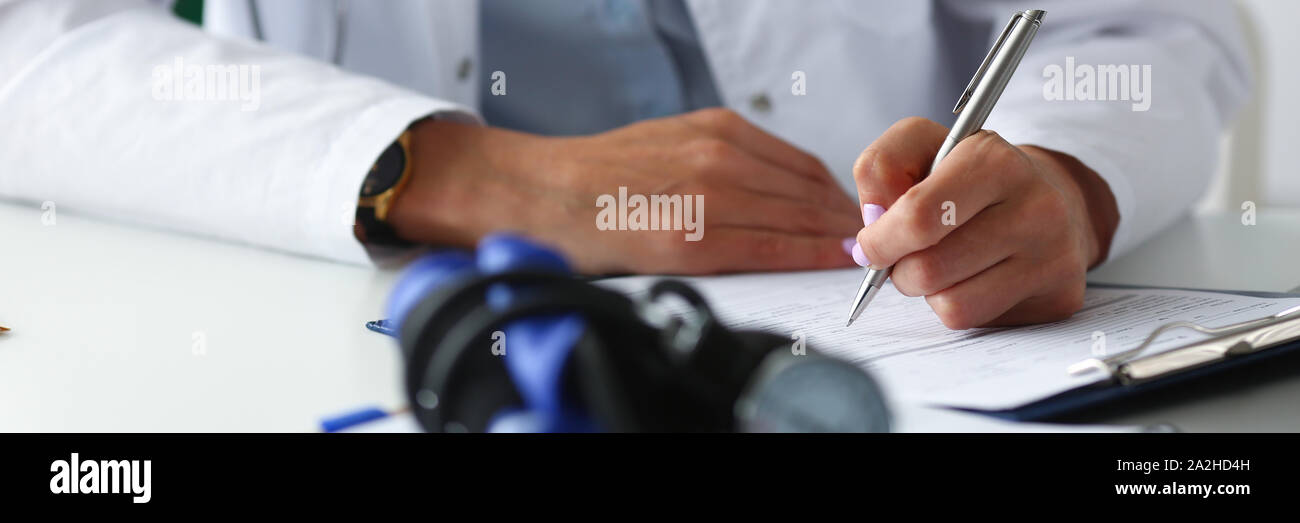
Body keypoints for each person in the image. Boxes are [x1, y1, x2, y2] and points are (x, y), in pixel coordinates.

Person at [0, 0, 1249, 329]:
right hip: (419, 320)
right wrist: (454, 170)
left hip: (904, 344)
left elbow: (1145, 26)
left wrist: (1060, 180)